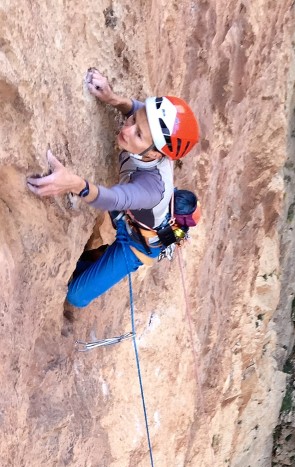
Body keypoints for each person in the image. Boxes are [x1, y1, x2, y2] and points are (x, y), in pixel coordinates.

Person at [26, 68, 199, 308]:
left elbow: (114, 199)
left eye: (138, 134)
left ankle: (94, 259)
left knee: (76, 296)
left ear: (156, 154)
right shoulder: (154, 140)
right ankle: (98, 259)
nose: (126, 130)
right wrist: (113, 98)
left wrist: (74, 184)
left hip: (137, 244)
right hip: (132, 212)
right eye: (133, 120)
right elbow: (137, 108)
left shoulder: (151, 187)